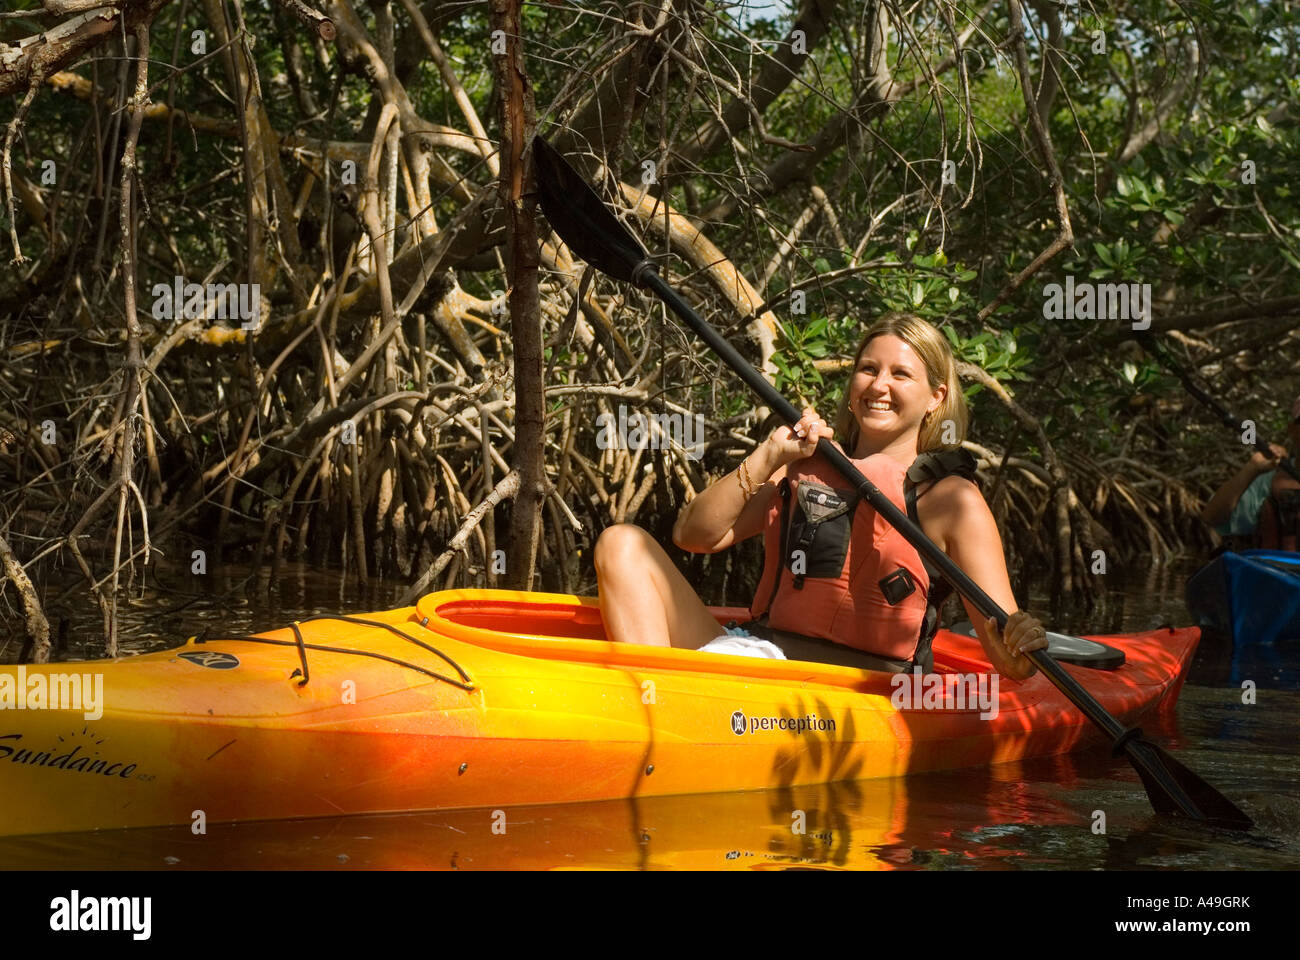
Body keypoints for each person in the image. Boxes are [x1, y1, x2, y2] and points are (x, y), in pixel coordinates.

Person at [593, 313, 1049, 680]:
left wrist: (1023, 642)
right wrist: (770, 454)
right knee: (621, 542)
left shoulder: (952, 500)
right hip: (764, 653)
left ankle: (661, 707)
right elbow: (693, 535)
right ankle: (652, 702)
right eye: (868, 369)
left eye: (901, 374)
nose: (878, 385)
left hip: (866, 687)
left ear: (936, 397)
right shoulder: (804, 465)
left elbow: (1007, 660)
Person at [1200, 394, 1300, 552]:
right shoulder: (1270, 481)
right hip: (1277, 570)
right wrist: (1251, 468)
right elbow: (1212, 518)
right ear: (1292, 430)